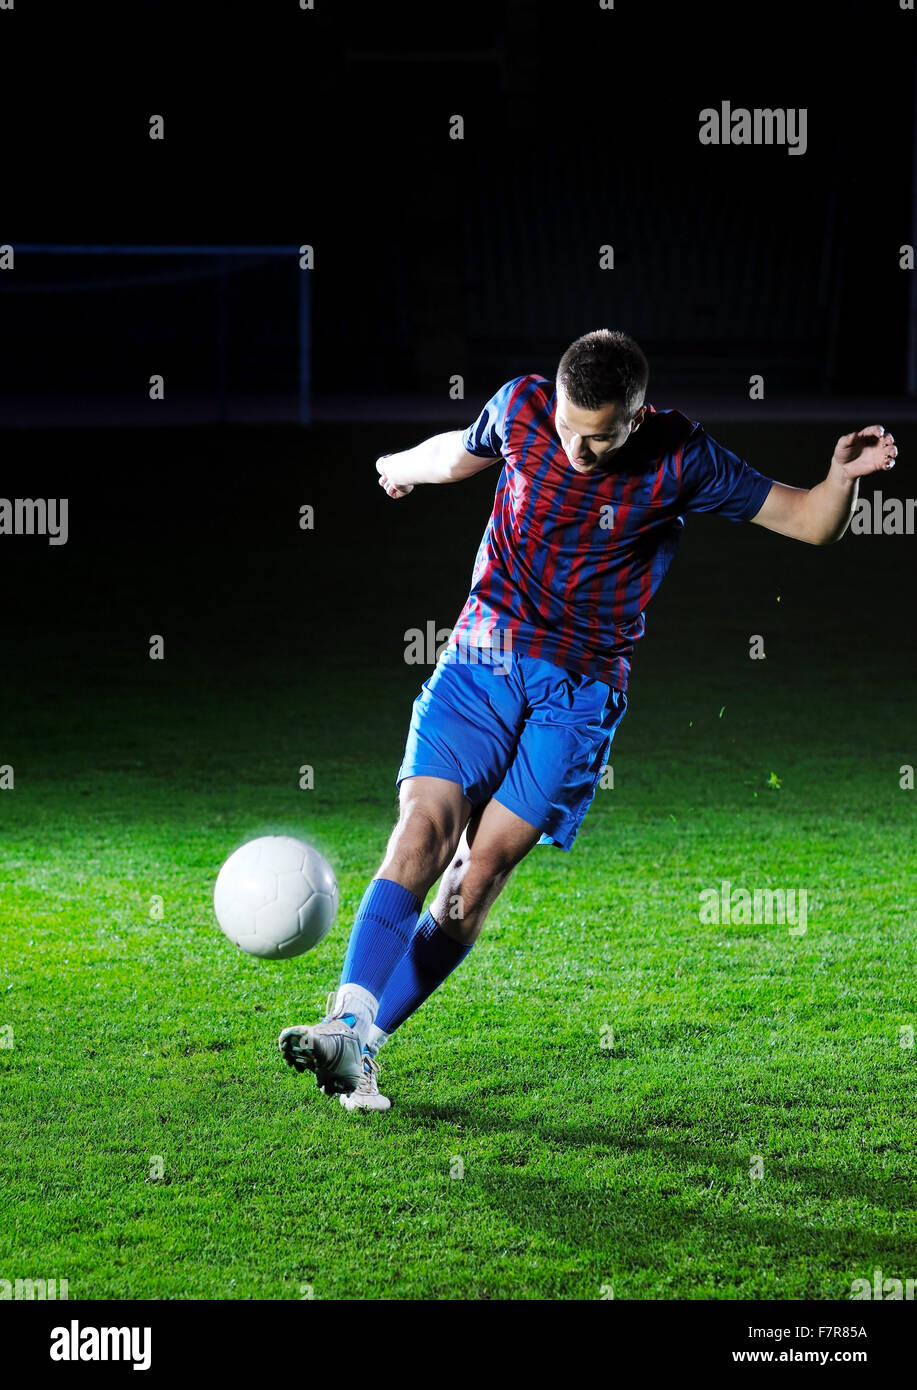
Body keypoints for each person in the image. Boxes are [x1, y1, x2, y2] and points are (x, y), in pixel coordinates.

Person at [279, 328, 898, 1111]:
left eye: (597, 437)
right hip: (480, 654)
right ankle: (347, 1019)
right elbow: (453, 456)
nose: (575, 448)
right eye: (568, 430)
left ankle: (360, 1048)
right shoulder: (521, 407)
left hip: (577, 694)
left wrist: (839, 477)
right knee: (423, 831)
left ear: (635, 419)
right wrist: (394, 468)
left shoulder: (682, 457)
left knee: (475, 878)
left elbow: (809, 521)